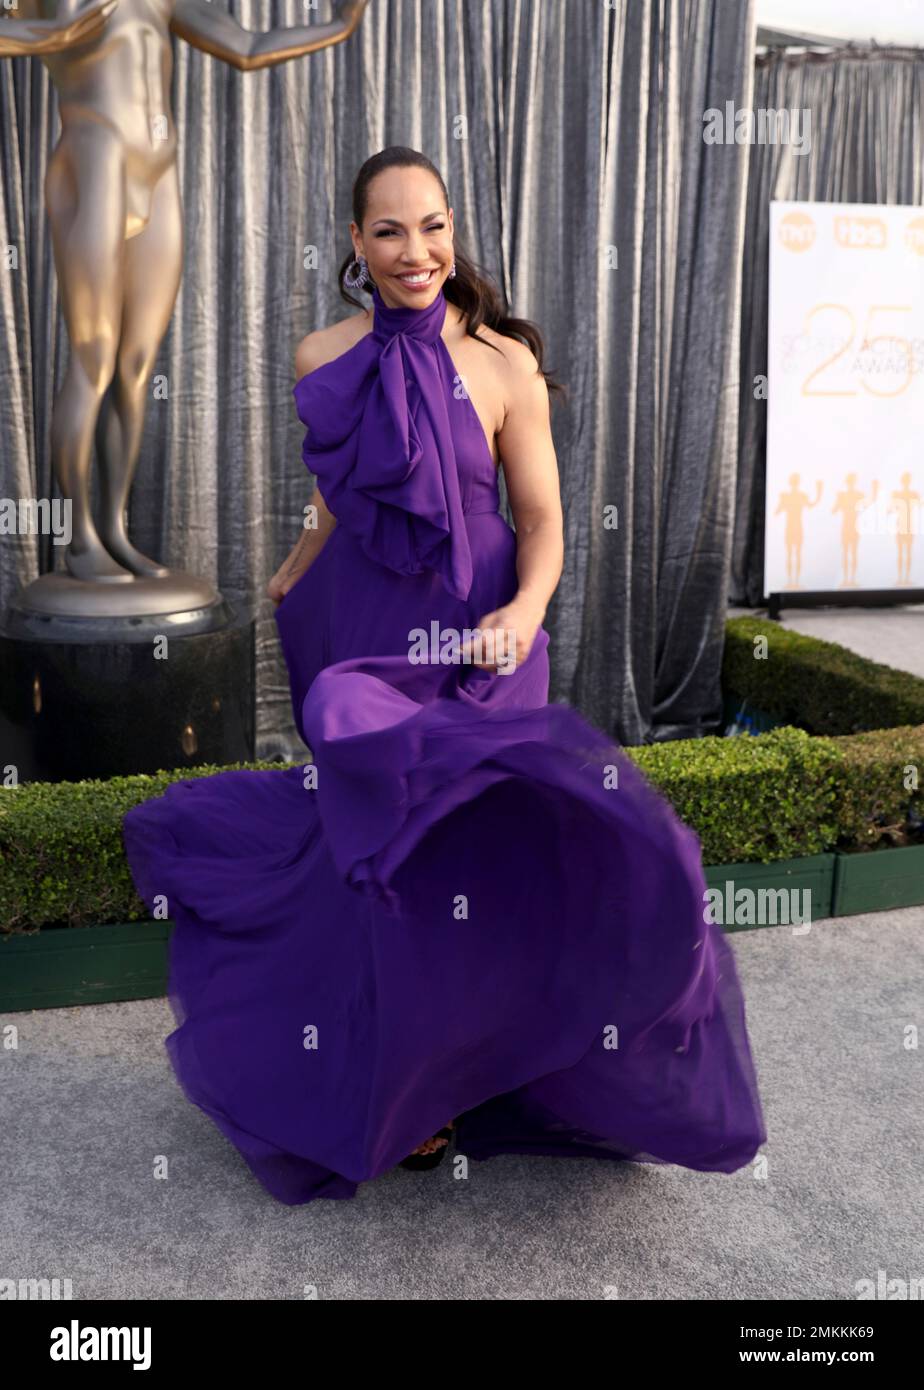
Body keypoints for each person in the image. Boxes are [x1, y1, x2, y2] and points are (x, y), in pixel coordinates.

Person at [122, 146, 767, 1204]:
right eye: (388, 231)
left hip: (482, 637)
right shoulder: (317, 356)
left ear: (452, 229)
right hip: (366, 623)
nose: (414, 251)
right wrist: (295, 562)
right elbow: (352, 485)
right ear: (354, 243)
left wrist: (522, 613)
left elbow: (547, 523)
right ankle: (408, 1088)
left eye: (431, 227)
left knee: (474, 851)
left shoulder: (505, 363)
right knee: (378, 844)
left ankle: (502, 1061)